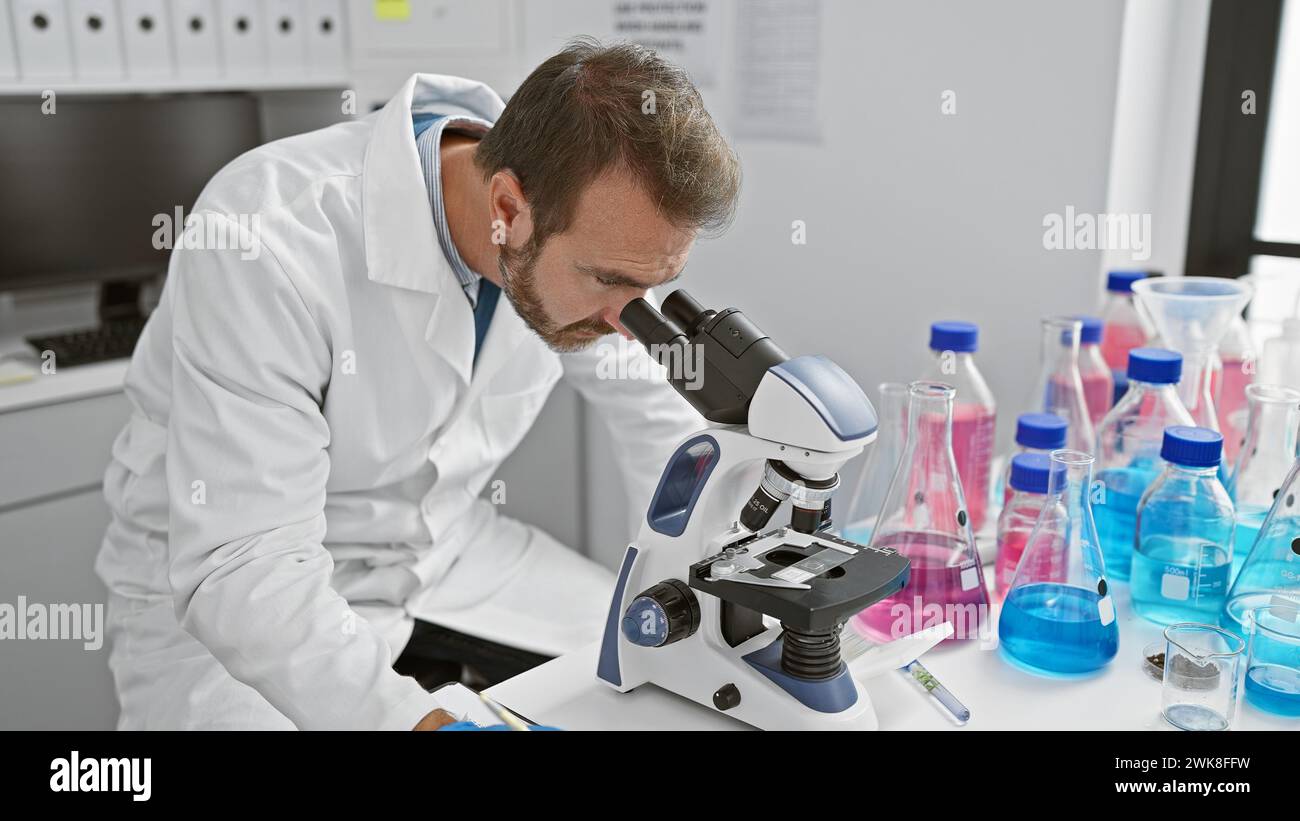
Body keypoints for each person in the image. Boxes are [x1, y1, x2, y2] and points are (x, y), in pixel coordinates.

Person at [95, 38, 742, 730]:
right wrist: (420, 722)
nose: (628, 320)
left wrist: (716, 570)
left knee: (667, 675)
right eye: (613, 281)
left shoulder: (578, 238)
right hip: (242, 595)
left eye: (650, 286)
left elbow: (654, 419)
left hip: (445, 550)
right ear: (507, 207)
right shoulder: (264, 238)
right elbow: (246, 563)